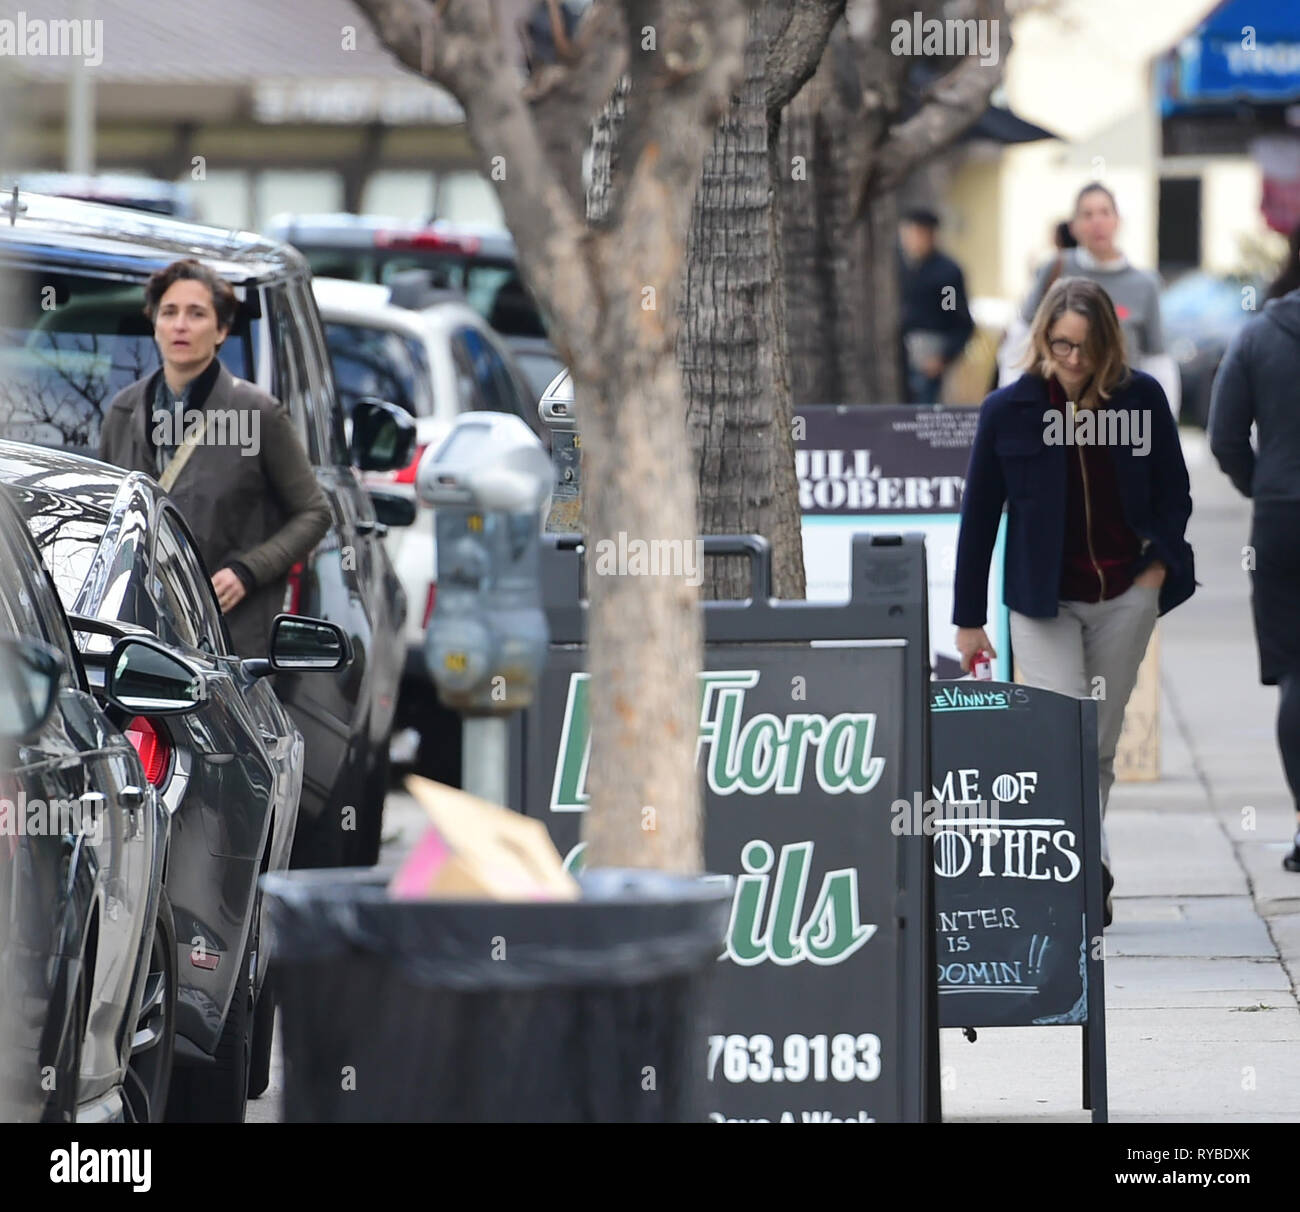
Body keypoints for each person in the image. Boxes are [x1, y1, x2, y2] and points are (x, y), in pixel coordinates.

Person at [952, 277, 1197, 924]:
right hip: (1042, 601)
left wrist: (1155, 571)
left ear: (1108, 344)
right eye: (1060, 345)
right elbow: (981, 516)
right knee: (1062, 740)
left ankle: (1086, 862)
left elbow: (1176, 494)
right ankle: (1089, 872)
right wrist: (968, 619)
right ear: (1042, 339)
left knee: (1099, 745)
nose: (1073, 360)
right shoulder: (1010, 410)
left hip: (1124, 593)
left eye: (1085, 348)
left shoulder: (1139, 401)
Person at [99, 258, 331, 658]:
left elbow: (315, 513)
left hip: (227, 640)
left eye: (197, 314)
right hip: (133, 634)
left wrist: (247, 572)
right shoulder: (123, 410)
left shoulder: (257, 412)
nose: (180, 325)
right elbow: (103, 516)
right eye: (168, 313)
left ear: (221, 330)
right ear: (154, 324)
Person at [1208, 252, 1300, 873]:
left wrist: (1260, 484)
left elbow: (1222, 435)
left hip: (1281, 518)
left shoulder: (1259, 334)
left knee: (1296, 674)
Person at [1021, 182, 1164, 363]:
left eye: (1105, 213)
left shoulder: (1145, 284)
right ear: (1073, 226)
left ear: (1118, 220)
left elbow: (1157, 356)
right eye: (1087, 215)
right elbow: (1022, 335)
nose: (1097, 222)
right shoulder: (1055, 269)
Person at [898, 207, 974, 404]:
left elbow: (958, 318)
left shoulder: (946, 273)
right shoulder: (903, 268)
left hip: (929, 352)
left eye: (916, 233)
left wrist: (943, 356)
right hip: (901, 352)